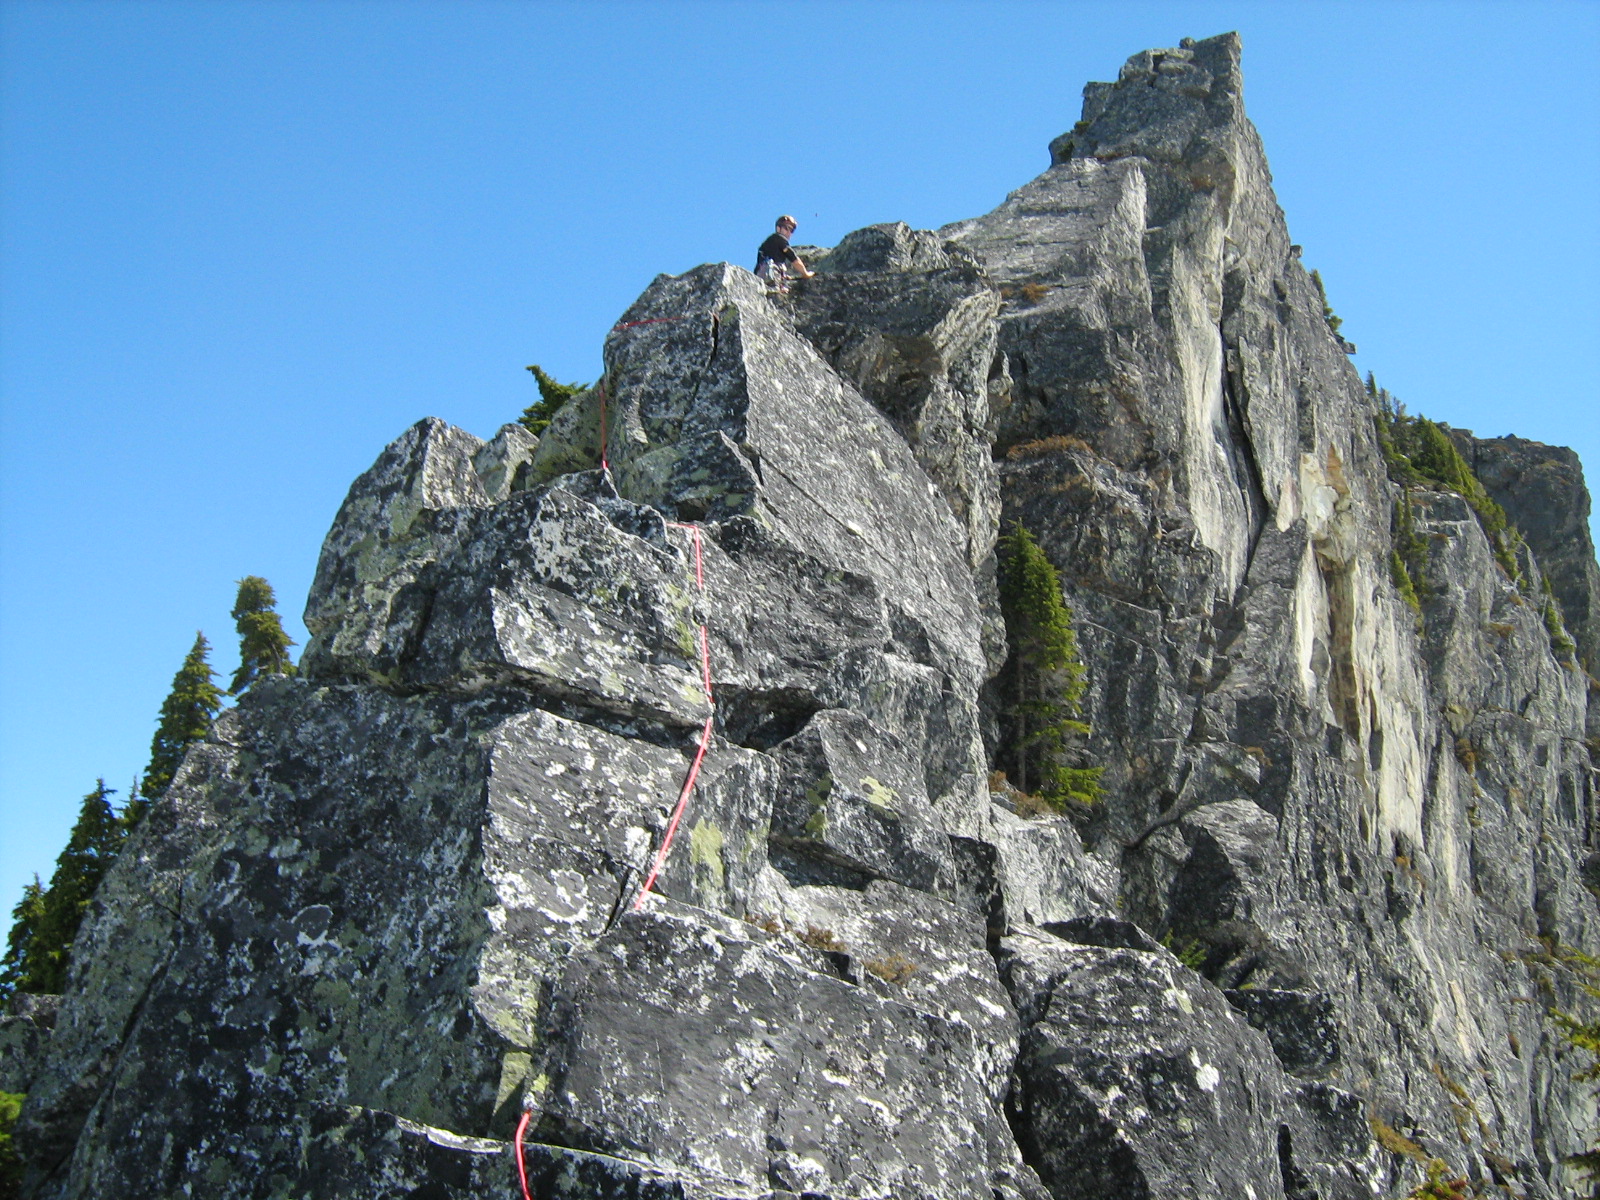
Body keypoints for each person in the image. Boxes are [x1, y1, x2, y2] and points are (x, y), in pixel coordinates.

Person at [754, 215, 814, 293]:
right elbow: (794, 259)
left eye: (792, 230)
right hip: (771, 276)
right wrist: (805, 274)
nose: (789, 232)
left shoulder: (767, 244)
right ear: (778, 228)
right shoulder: (779, 238)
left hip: (761, 278)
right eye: (786, 228)